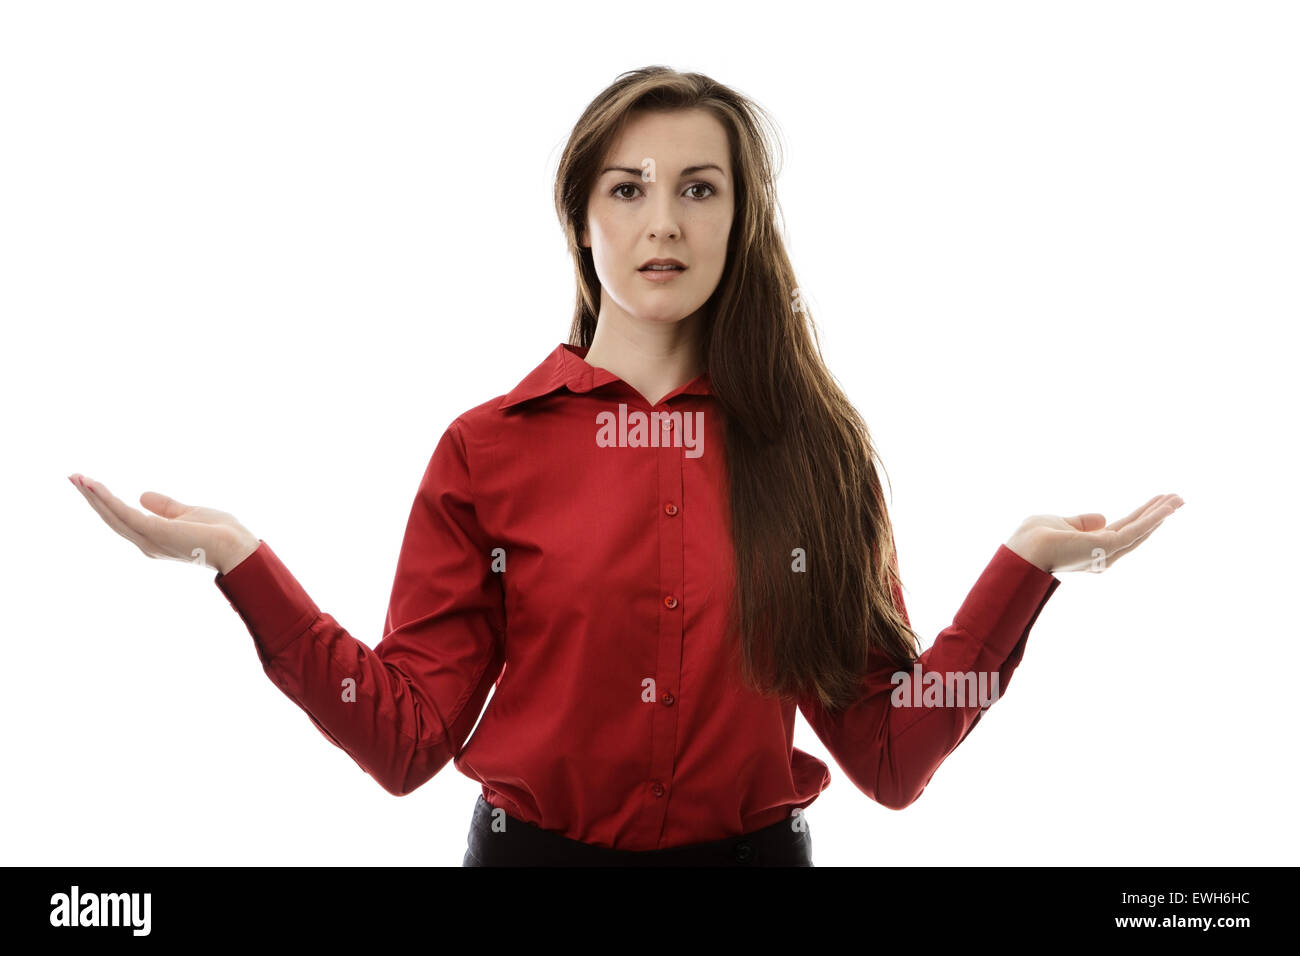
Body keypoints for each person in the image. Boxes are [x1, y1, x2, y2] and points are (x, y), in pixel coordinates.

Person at [71, 66, 1184, 867]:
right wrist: (238, 560)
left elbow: (889, 753)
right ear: (580, 218)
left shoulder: (813, 457)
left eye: (700, 187)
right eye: (628, 187)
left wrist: (1026, 565)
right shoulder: (485, 450)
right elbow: (406, 740)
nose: (664, 221)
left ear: (741, 219)